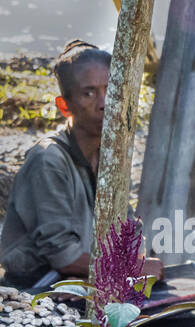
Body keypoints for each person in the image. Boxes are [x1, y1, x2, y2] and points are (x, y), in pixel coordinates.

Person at [0, 39, 163, 289]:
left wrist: (136, 258)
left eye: (110, 90)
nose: (103, 103)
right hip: (38, 290)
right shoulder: (48, 160)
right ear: (65, 106)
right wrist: (130, 268)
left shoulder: (109, 156)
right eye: (89, 93)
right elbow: (64, 258)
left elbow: (128, 227)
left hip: (88, 278)